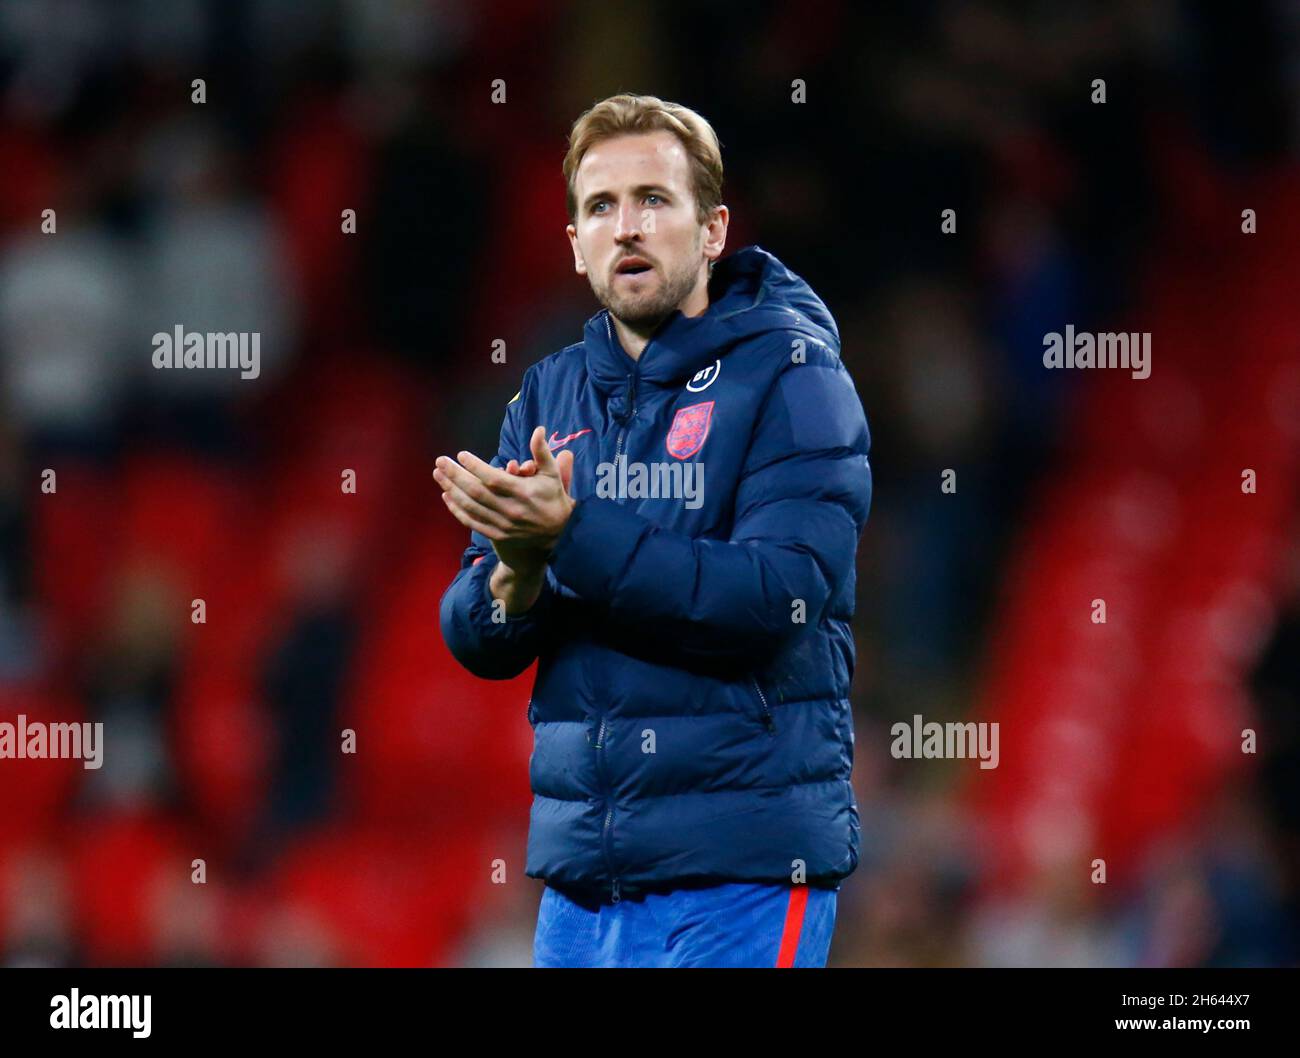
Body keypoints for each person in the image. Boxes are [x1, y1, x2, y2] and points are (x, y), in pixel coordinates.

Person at [435, 93, 872, 967]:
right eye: (601, 207)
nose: (625, 227)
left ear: (712, 230)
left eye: (652, 200)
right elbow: (475, 632)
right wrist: (514, 573)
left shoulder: (794, 378)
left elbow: (775, 597)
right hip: (583, 886)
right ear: (574, 244)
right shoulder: (547, 395)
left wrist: (571, 537)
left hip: (742, 869)